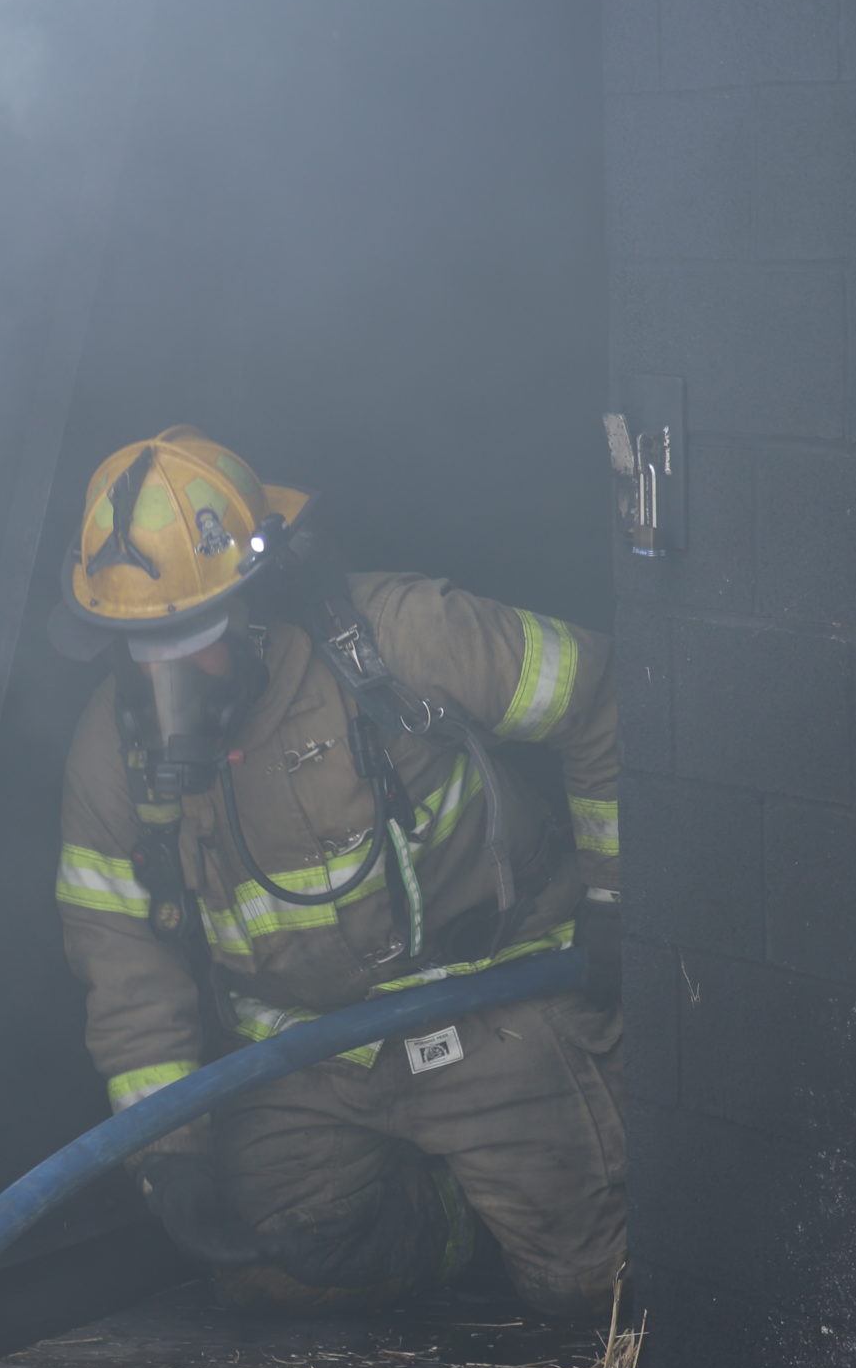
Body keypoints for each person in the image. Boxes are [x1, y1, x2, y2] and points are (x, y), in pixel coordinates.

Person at [51, 427, 623, 1322]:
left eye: (191, 639)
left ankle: (526, 1225)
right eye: (143, 647)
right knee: (279, 1270)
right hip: (311, 1054)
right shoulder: (112, 753)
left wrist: (614, 896)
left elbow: (597, 691)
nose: (168, 677)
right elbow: (120, 955)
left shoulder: (401, 638)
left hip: (492, 1008)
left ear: (257, 597)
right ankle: (456, 1226)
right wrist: (168, 1150)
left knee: (591, 1296)